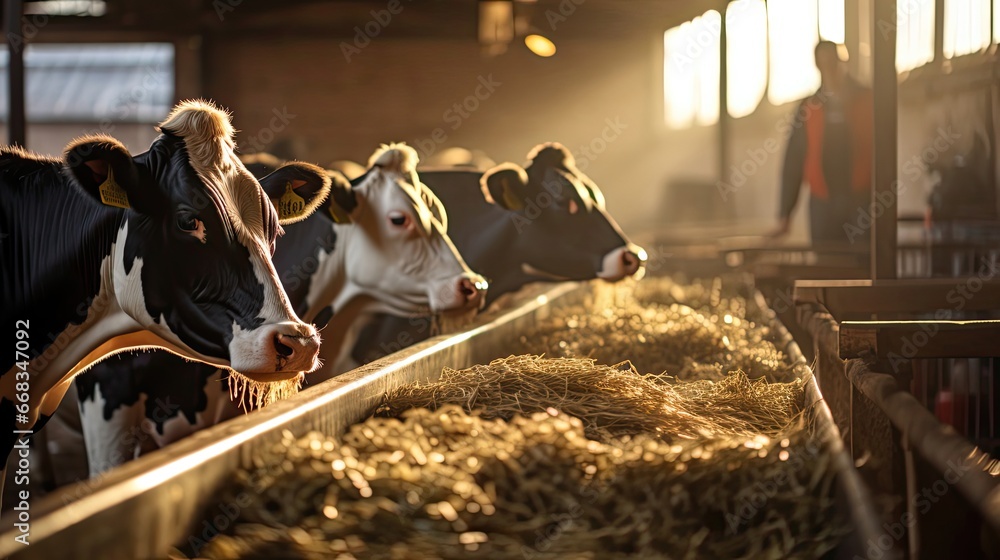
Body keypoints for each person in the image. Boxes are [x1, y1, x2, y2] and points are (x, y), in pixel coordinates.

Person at [770, 41, 873, 246]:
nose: (828, 68)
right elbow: (794, 162)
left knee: (862, 269)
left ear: (842, 61)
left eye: (832, 62)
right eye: (822, 63)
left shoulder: (866, 101)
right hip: (822, 202)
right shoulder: (809, 108)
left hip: (860, 201)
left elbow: (883, 154)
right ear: (817, 65)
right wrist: (785, 214)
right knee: (826, 267)